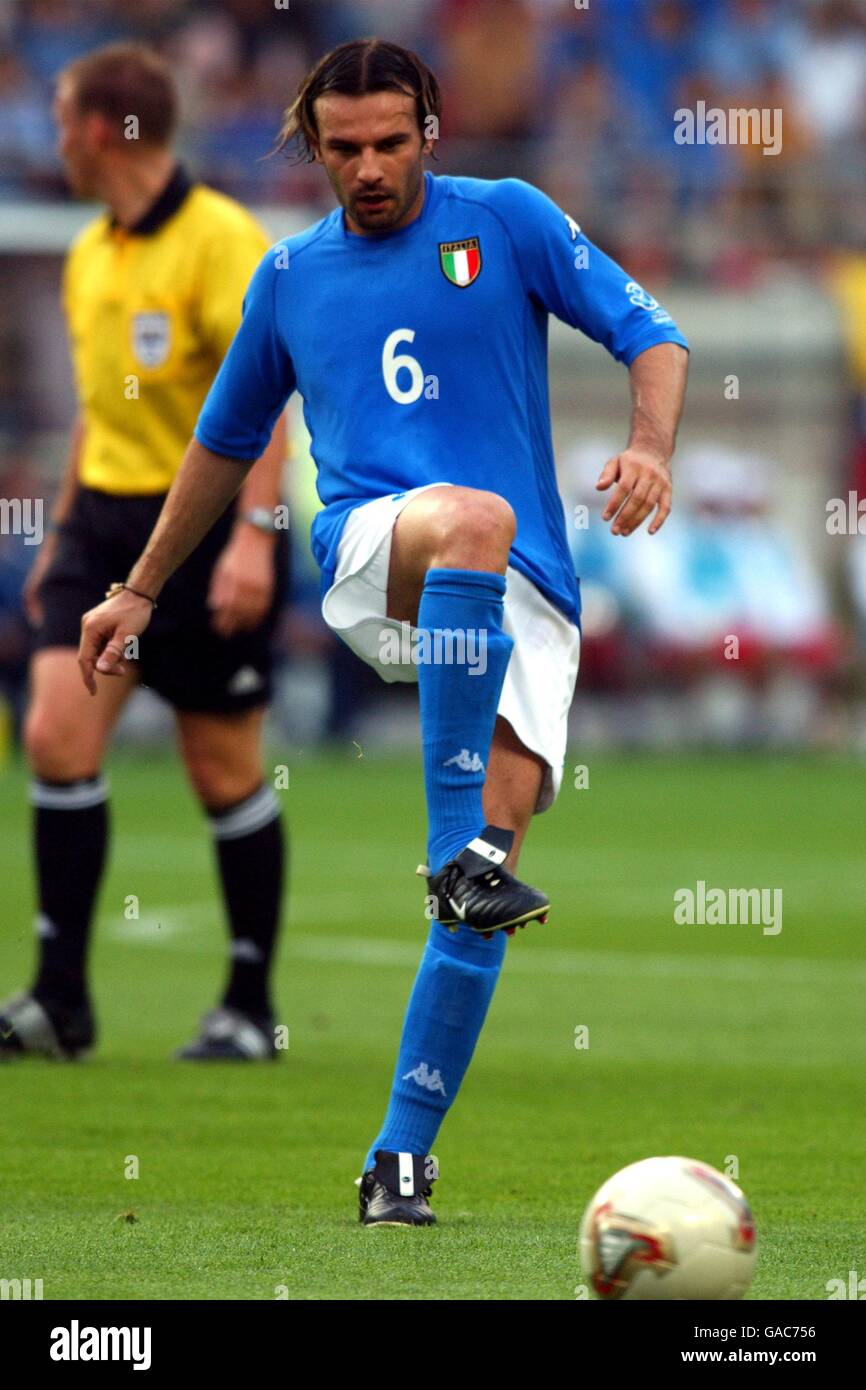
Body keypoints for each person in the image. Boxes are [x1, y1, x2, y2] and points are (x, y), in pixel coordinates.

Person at [76, 39, 689, 1222]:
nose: (366, 168)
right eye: (342, 147)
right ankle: (452, 839)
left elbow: (651, 334)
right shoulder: (289, 277)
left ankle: (396, 1159)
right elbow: (219, 444)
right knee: (473, 520)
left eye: (388, 144)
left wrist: (651, 445)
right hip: (377, 554)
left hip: (523, 604)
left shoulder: (503, 219)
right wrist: (142, 587)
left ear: (431, 130)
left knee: (485, 894)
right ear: (313, 143)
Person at [0, 44, 289, 1064]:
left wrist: (256, 535)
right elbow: (94, 413)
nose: (51, 136)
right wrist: (59, 538)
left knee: (219, 764)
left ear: (95, 130)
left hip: (205, 529)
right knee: (54, 737)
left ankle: (249, 1008)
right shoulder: (88, 254)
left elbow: (264, 398)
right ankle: (59, 1001)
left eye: (57, 115)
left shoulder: (222, 239)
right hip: (101, 525)